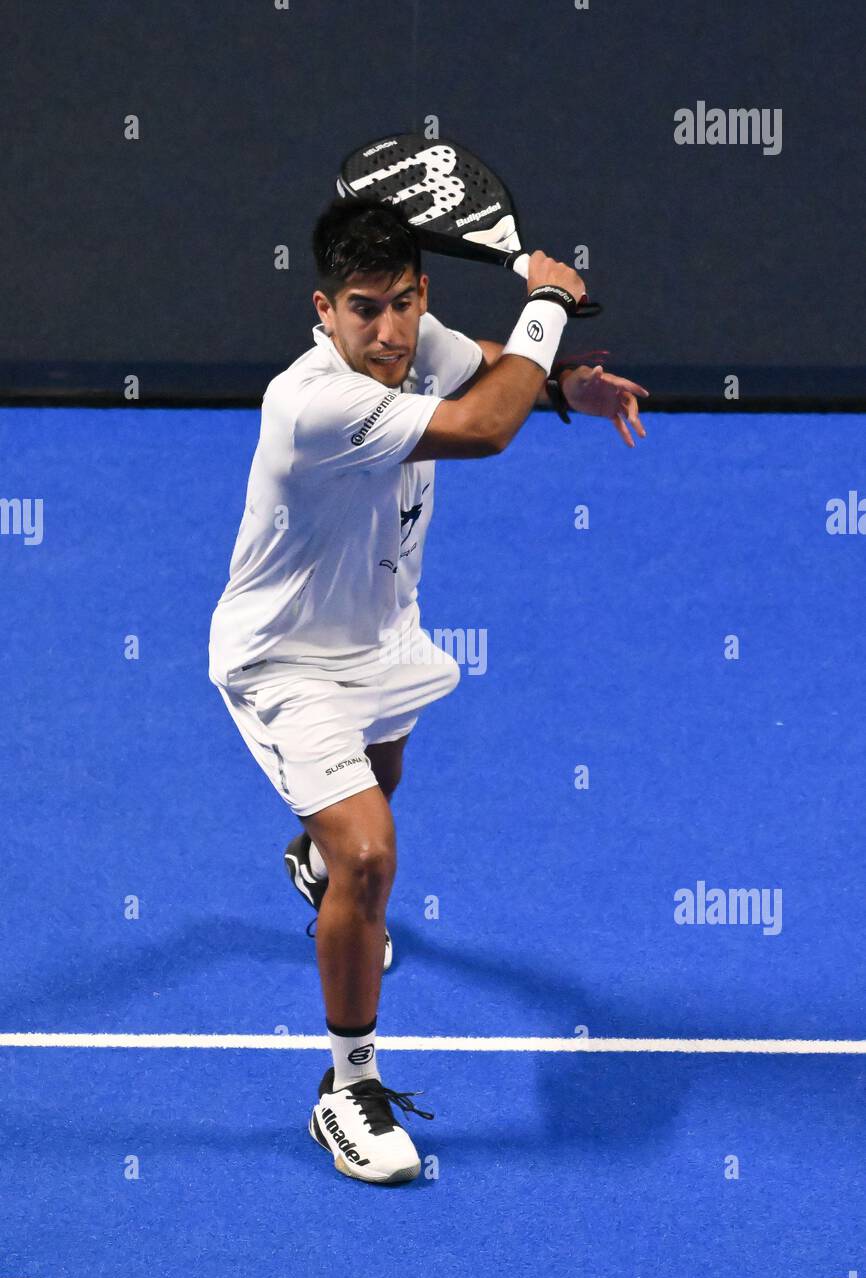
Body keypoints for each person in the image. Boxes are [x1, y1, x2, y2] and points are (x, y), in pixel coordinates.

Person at [208, 196, 648, 1184]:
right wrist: (547, 303)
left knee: (383, 774)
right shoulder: (314, 401)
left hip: (380, 631)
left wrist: (561, 383)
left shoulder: (412, 341)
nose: (390, 331)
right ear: (324, 311)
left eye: (404, 303)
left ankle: (314, 865)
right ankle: (346, 1089)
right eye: (364, 309)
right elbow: (482, 426)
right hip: (288, 661)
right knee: (367, 850)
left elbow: (479, 365)